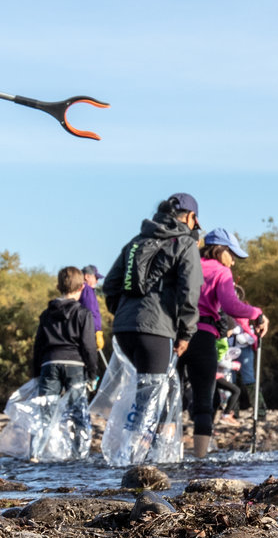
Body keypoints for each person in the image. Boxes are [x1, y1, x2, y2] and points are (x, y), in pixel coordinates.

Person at [100, 194, 204, 453]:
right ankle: (139, 462)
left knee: (146, 393)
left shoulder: (135, 242)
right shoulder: (185, 243)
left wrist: (123, 312)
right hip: (156, 330)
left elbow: (110, 285)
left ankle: (134, 456)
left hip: (124, 330)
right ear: (191, 218)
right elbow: (189, 291)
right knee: (153, 397)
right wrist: (186, 332)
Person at [183, 228, 266, 457]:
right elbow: (231, 306)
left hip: (176, 334)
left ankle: (158, 459)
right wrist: (257, 313)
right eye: (232, 255)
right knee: (204, 401)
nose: (233, 262)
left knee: (169, 395)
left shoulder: (188, 263)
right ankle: (199, 460)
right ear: (221, 250)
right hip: (202, 335)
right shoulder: (221, 272)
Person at [29, 266, 102, 458]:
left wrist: (36, 373)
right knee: (78, 413)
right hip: (75, 366)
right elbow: (88, 347)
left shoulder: (46, 314)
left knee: (45, 412)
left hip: (49, 364)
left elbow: (38, 346)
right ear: (81, 288)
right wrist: (92, 374)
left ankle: (36, 453)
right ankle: (79, 455)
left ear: (58, 286)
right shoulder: (83, 314)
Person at [78, 264, 104, 352]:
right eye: (96, 278)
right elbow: (90, 311)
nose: (97, 281)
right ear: (87, 276)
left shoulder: (82, 289)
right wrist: (96, 331)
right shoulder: (87, 290)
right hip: (89, 332)